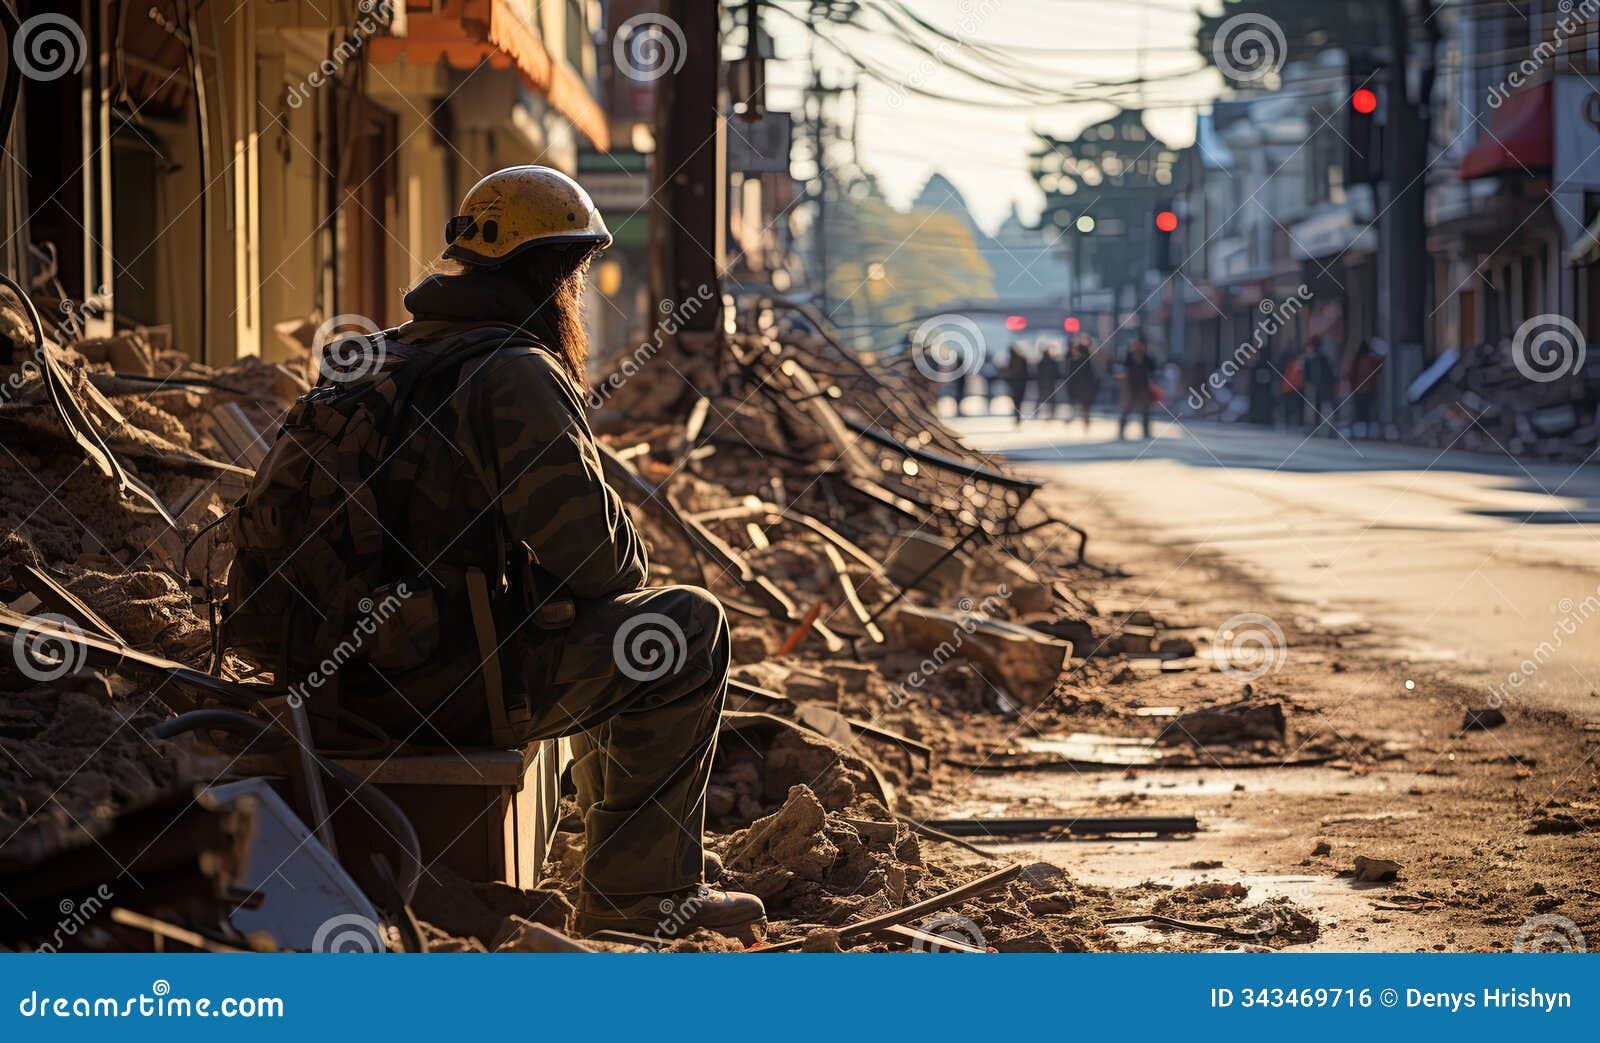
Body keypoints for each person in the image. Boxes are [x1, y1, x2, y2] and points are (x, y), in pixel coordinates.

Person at [228, 167, 763, 939]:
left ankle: (625, 867)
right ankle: (637, 900)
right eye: (574, 278)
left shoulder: (380, 356)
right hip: (437, 689)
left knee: (577, 617)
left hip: (336, 681)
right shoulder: (513, 370)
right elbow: (606, 565)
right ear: (553, 275)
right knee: (685, 630)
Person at [1118, 338, 1157, 440]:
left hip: (1143, 386)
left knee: (1145, 410)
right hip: (1131, 386)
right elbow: (1124, 369)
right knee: (1127, 409)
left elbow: (1153, 368)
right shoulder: (1129, 356)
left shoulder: (1146, 357)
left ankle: (1146, 431)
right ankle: (1121, 431)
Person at [1344, 339, 1383, 438]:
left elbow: (1351, 375)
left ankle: (1357, 433)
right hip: (1369, 389)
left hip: (1358, 389)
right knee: (1368, 413)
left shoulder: (1357, 360)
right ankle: (1367, 433)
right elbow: (1378, 371)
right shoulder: (1372, 360)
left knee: (1358, 412)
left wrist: (1353, 387)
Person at [1302, 339, 1336, 436]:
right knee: (1317, 409)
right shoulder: (1311, 360)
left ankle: (1324, 429)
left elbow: (1328, 374)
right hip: (1316, 388)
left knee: (1324, 409)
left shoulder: (1319, 359)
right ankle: (1314, 428)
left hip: (1321, 388)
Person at [1065, 337, 1099, 430]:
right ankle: (1084, 422)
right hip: (1085, 388)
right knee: (1084, 407)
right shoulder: (1087, 361)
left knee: (1082, 406)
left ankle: (1081, 421)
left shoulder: (1077, 362)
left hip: (1082, 388)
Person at [1004, 341, 1033, 427]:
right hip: (1019, 385)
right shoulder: (1019, 359)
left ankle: (1017, 417)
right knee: (1018, 402)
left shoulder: (1015, 360)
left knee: (1017, 402)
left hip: (1016, 385)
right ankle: (1017, 417)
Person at [1034, 339, 1063, 421]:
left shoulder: (1041, 363)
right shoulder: (1050, 362)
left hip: (1045, 383)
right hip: (1049, 383)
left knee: (1043, 398)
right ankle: (1051, 413)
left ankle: (1039, 413)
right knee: (1049, 399)